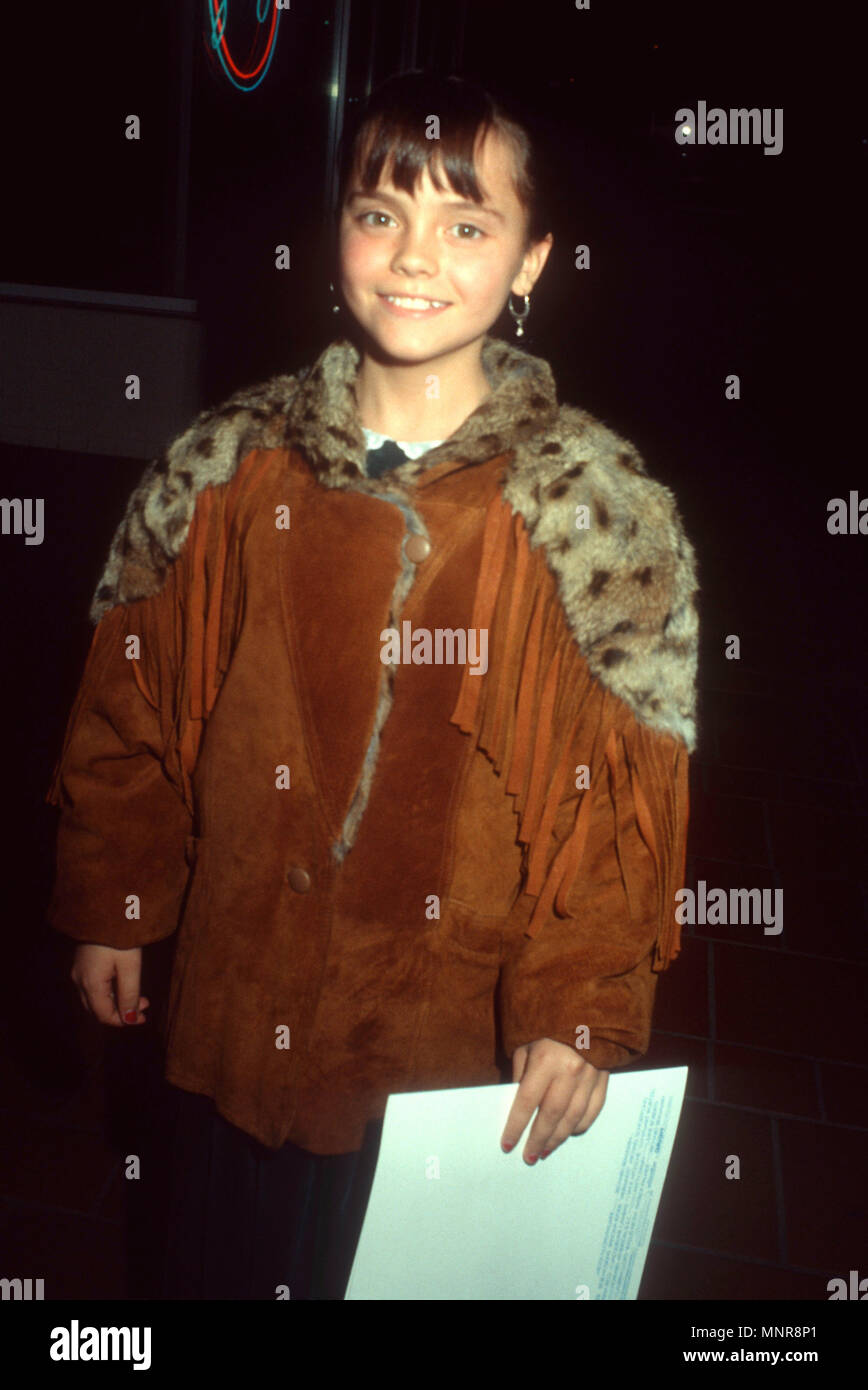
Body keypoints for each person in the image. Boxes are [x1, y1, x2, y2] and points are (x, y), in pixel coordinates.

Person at [44, 69, 699, 1300]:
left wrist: (579, 1008)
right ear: (335, 230)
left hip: (436, 1054)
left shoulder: (594, 513)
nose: (412, 255)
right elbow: (133, 693)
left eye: (466, 223)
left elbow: (612, 805)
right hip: (236, 1010)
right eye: (379, 210)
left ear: (531, 263)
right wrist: (117, 897)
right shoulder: (225, 465)